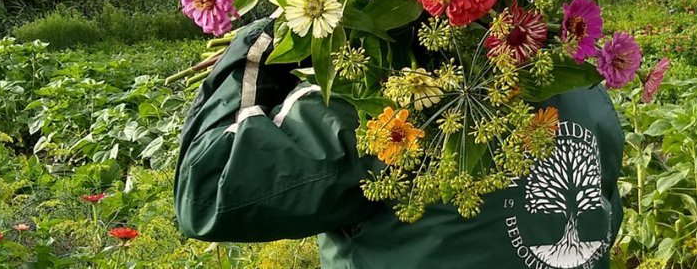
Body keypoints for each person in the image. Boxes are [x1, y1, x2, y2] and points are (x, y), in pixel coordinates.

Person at [174, 18, 625, 269]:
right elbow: (603, 219)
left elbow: (207, 190)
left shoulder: (375, 105)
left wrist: (262, 46)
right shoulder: (576, 81)